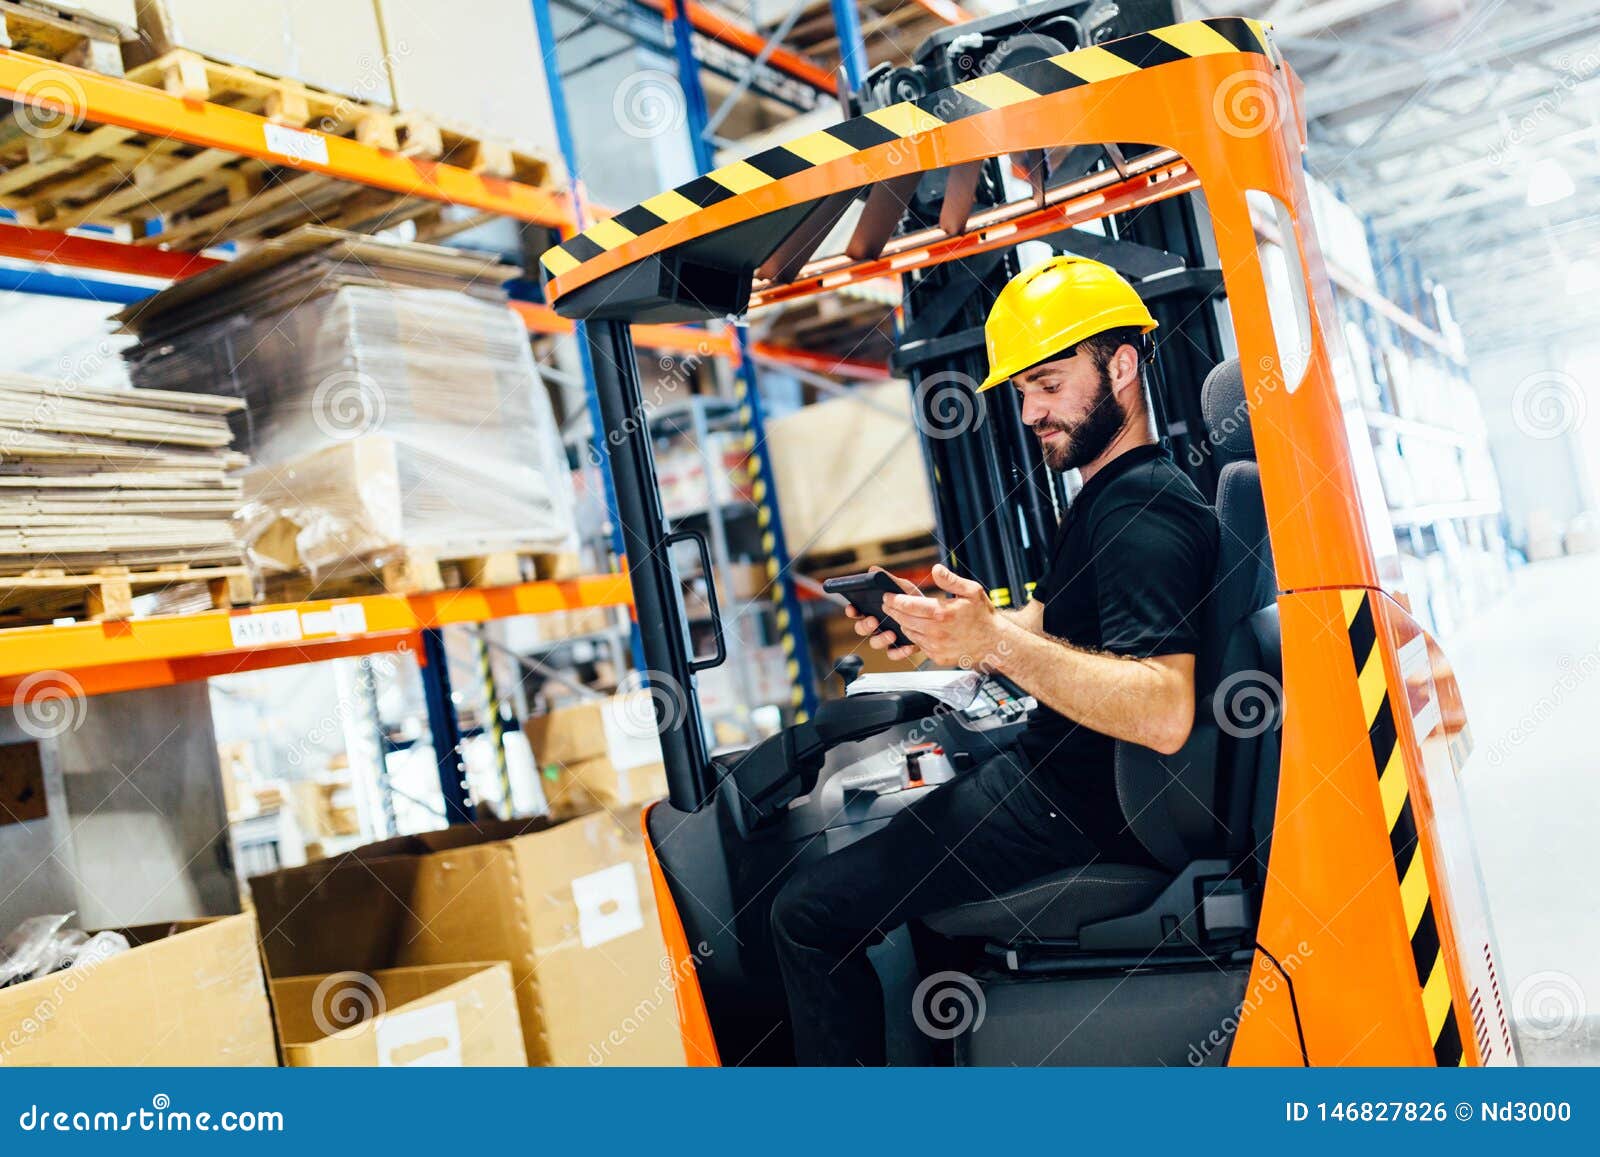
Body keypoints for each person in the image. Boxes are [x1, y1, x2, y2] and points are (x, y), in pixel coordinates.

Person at [769, 255, 1221, 1065]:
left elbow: (1163, 708)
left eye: (1048, 384)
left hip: (1070, 806)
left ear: (1121, 365)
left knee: (805, 914)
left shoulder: (1141, 512)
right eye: (1021, 392)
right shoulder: (1111, 494)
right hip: (1066, 784)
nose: (1031, 412)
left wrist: (995, 643)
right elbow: (1054, 625)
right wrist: (945, 632)